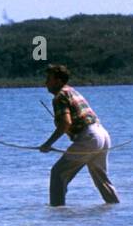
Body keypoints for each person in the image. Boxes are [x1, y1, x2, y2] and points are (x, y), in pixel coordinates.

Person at [38, 64, 119, 207]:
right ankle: (116, 208)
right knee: (102, 179)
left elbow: (65, 124)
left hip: (90, 138)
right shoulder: (72, 91)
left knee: (58, 174)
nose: (46, 83)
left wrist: (48, 144)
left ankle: (57, 216)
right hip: (102, 134)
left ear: (58, 81)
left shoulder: (59, 96)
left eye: (48, 79)